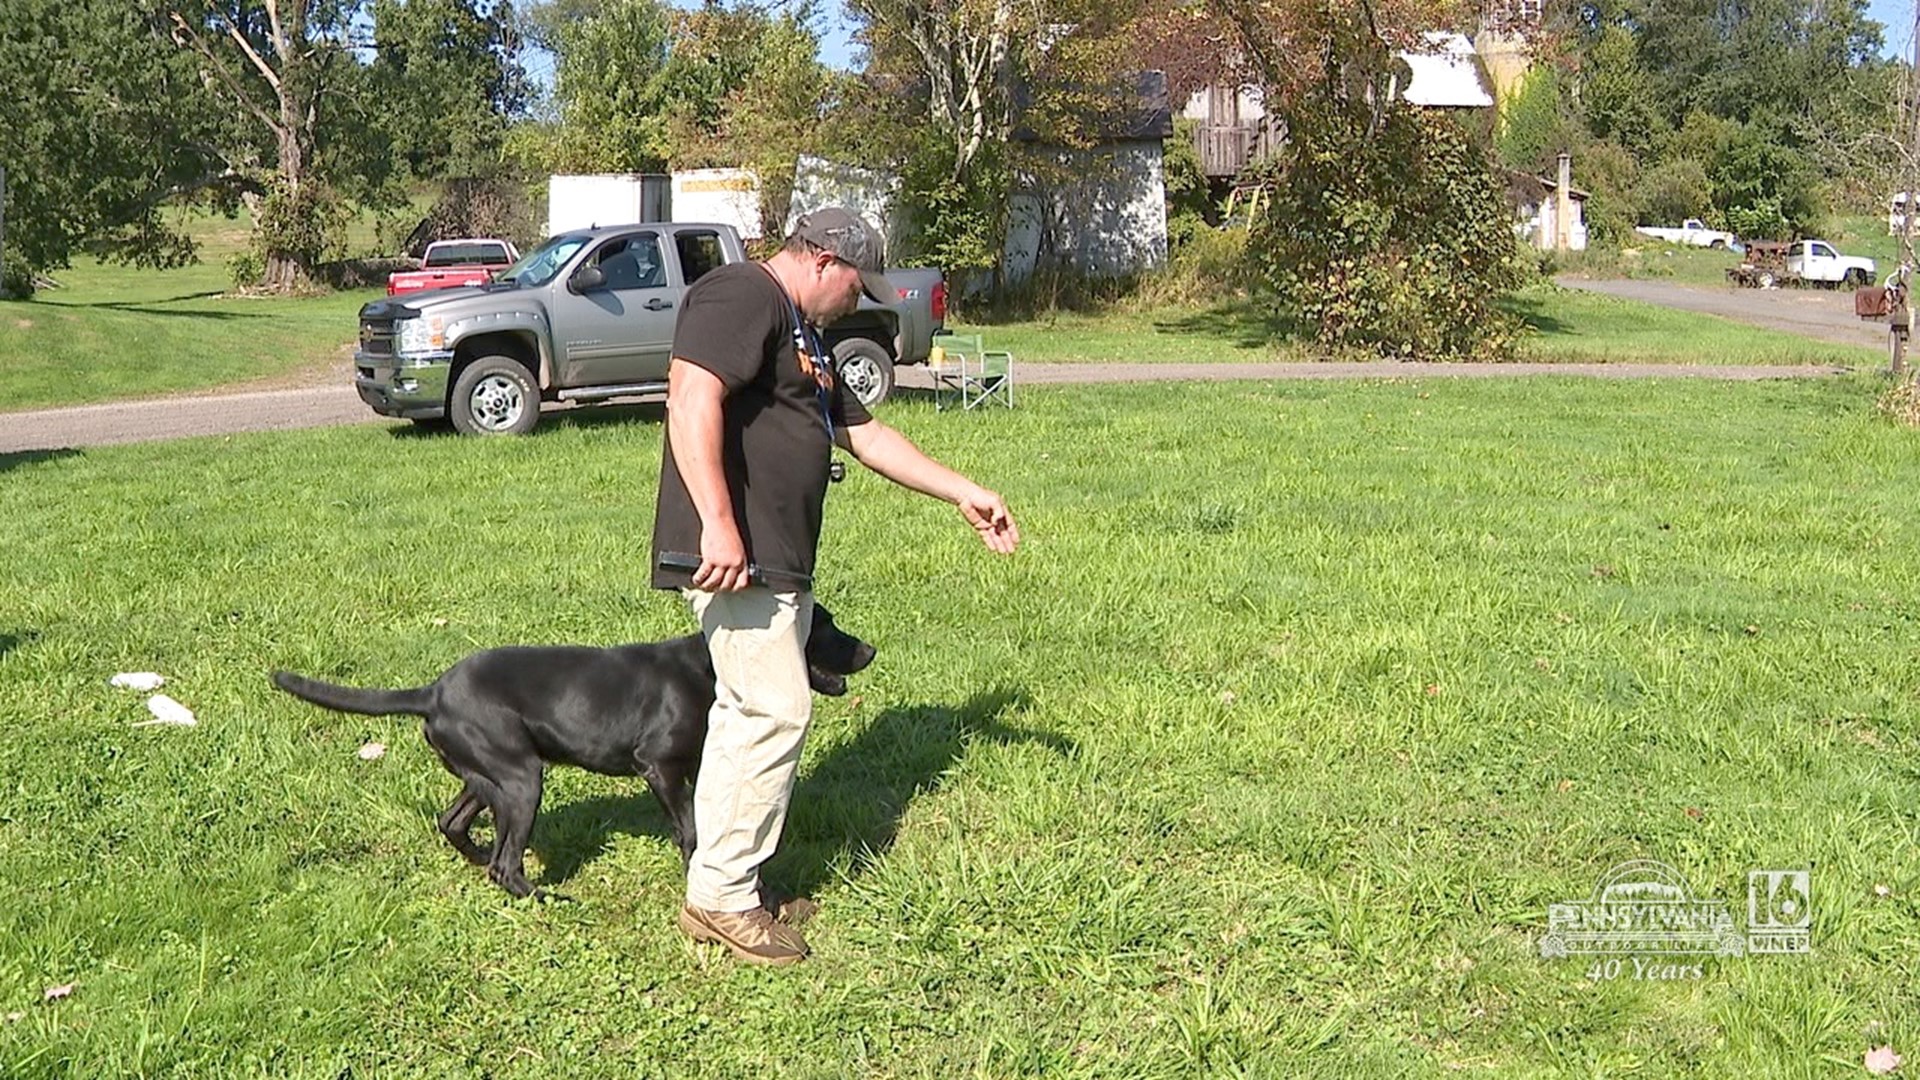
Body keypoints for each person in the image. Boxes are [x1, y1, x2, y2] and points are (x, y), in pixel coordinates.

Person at [649, 207, 1020, 966]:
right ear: (822, 261)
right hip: (737, 555)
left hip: (774, 557)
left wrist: (963, 491)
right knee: (773, 709)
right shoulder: (742, 294)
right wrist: (719, 524)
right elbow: (688, 398)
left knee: (746, 713)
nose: (860, 300)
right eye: (858, 284)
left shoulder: (802, 333)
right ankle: (723, 900)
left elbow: (867, 434)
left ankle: (724, 884)